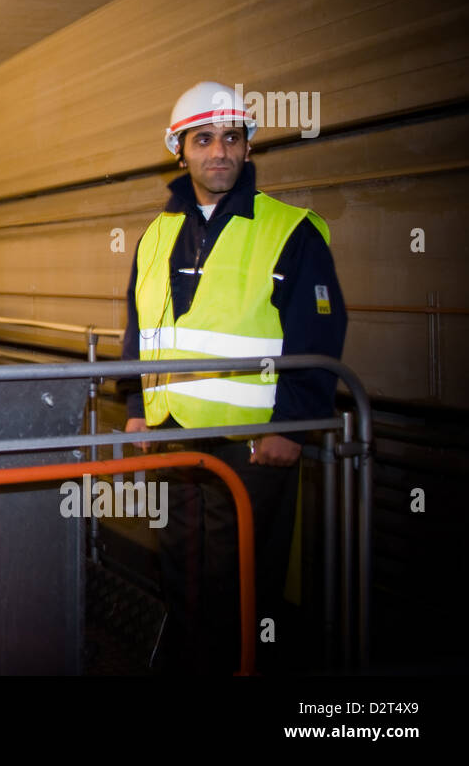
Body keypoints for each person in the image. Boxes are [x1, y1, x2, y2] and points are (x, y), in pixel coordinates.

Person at [120, 80, 347, 675]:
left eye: (232, 137)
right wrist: (135, 404)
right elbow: (139, 323)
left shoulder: (289, 229)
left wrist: (291, 427)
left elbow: (317, 336)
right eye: (203, 139)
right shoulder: (157, 235)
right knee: (182, 565)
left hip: (252, 441)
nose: (219, 150)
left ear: (246, 148)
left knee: (241, 573)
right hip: (174, 434)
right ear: (181, 150)